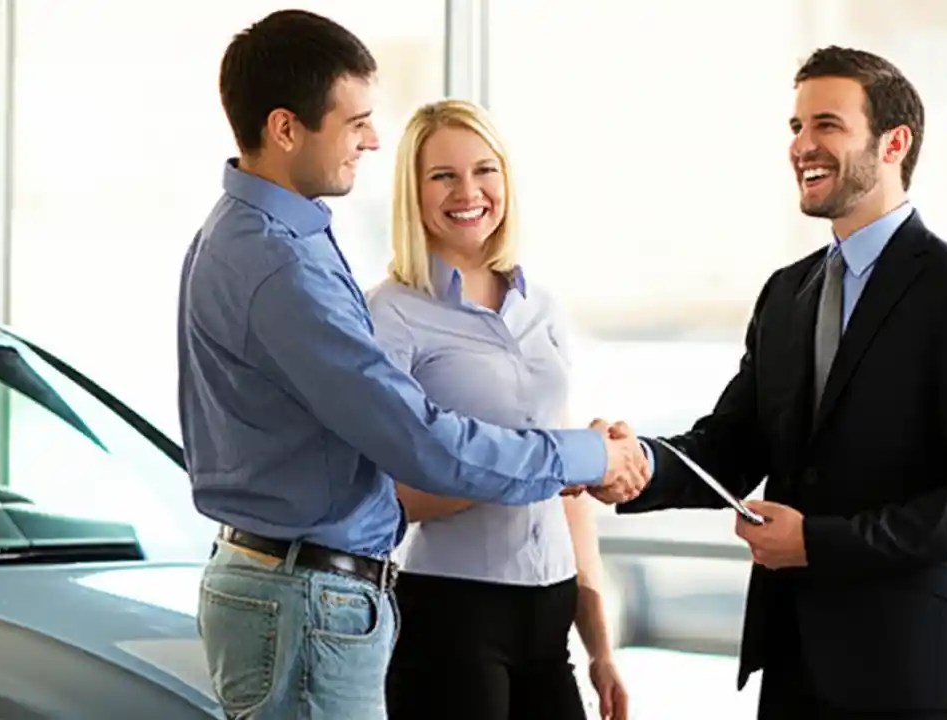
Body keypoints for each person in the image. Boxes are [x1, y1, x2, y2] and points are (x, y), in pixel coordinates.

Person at [177, 11, 648, 720]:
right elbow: (419, 444)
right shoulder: (278, 263)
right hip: (314, 597)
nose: (370, 138)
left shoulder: (270, 237)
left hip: (309, 589)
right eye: (356, 121)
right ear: (285, 129)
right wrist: (583, 456)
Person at [615, 46, 947, 719]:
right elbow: (733, 443)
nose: (802, 146)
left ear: (894, 143)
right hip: (793, 665)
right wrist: (637, 463)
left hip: (915, 676)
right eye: (795, 127)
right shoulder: (788, 293)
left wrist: (820, 542)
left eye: (827, 125)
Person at [366, 99, 629, 720]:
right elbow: (389, 496)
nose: (469, 191)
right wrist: (538, 467)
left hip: (551, 618)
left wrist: (599, 646)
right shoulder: (391, 314)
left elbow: (566, 484)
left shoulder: (542, 306)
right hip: (452, 614)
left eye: (485, 170)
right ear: (413, 191)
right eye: (443, 176)